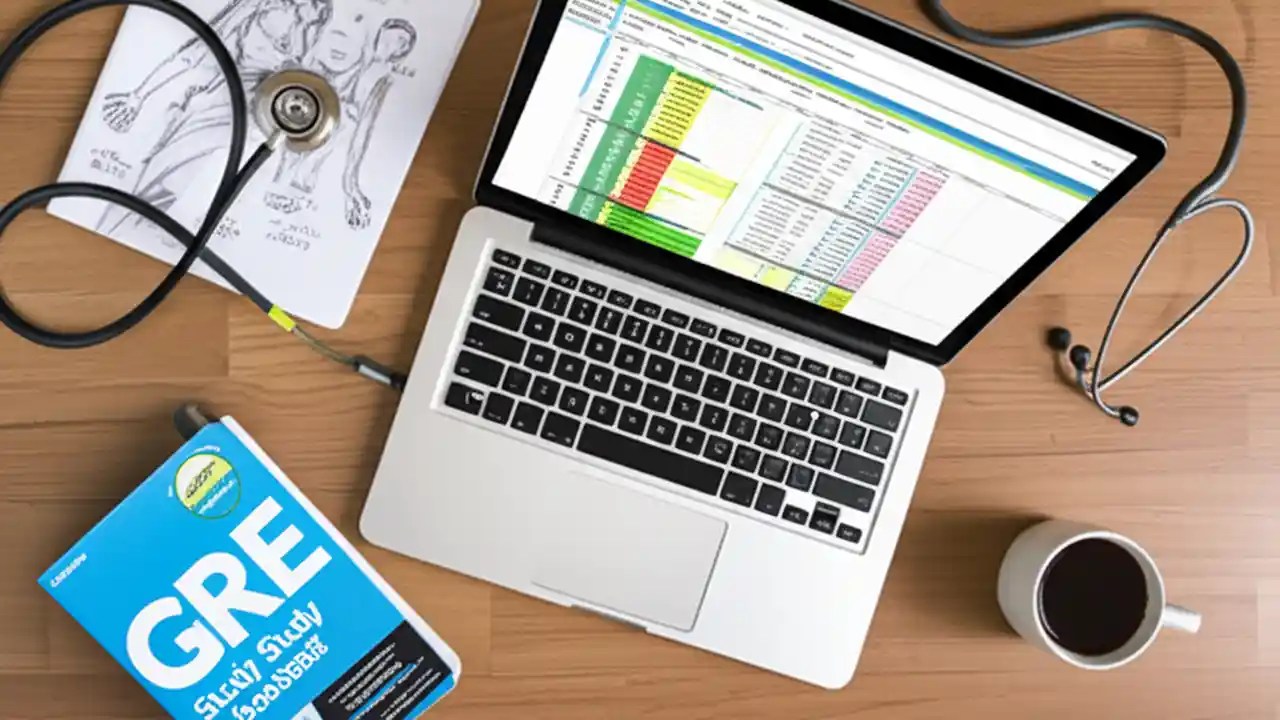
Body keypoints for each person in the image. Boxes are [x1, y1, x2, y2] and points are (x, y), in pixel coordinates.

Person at [98, 0, 334, 234]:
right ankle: (112, 233)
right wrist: (138, 95)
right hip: (220, 104)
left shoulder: (318, 13)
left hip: (261, 125)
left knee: (190, 204)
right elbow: (194, 53)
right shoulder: (257, 6)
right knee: (158, 185)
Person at [275, 16, 418, 229]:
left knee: (317, 151)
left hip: (343, 124)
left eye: (397, 42)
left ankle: (295, 191)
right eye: (386, 38)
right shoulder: (359, 63)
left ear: (402, 50)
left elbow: (365, 122)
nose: (387, 45)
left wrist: (351, 183)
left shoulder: (384, 79)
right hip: (322, 110)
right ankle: (281, 185)